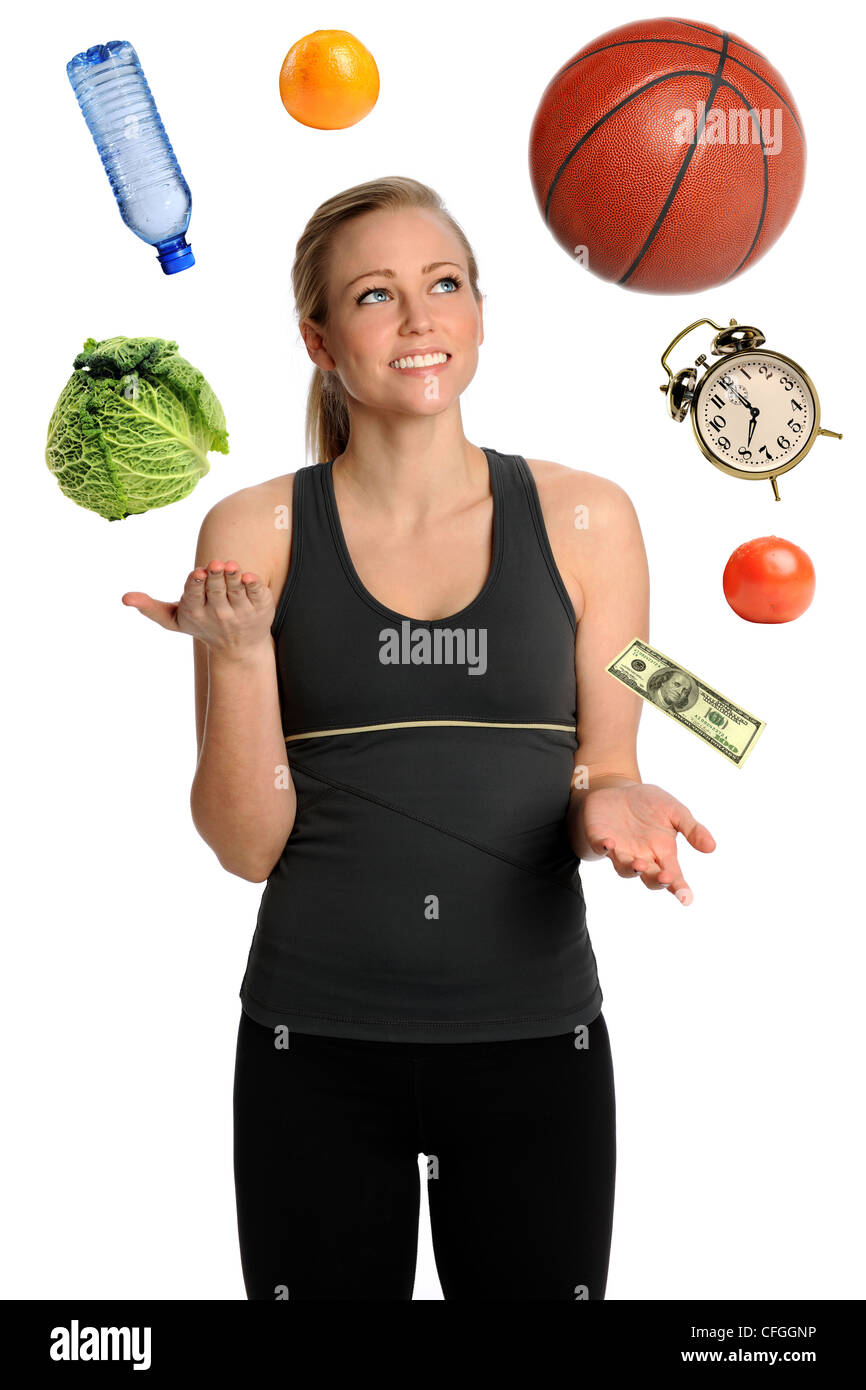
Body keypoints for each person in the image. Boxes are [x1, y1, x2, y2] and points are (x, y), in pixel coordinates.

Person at [123, 175, 716, 1301]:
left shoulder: (588, 517)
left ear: (480, 315)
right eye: (374, 295)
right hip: (314, 1052)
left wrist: (614, 804)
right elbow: (245, 846)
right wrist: (243, 657)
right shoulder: (254, 529)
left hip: (537, 1045)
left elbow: (605, 764)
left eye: (443, 285)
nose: (418, 319)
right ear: (318, 338)